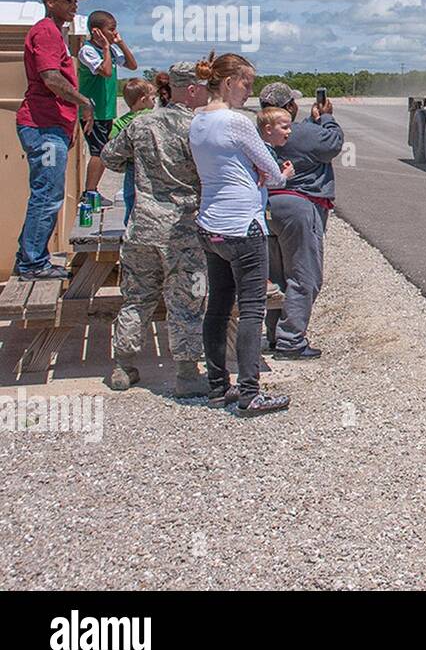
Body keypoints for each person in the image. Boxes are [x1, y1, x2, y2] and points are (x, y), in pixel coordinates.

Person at [190, 53, 292, 417]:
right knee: (251, 310)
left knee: (217, 307)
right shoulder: (237, 122)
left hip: (210, 224)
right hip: (243, 225)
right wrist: (278, 173)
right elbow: (274, 173)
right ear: (230, 81)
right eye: (247, 83)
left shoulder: (197, 121)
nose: (250, 91)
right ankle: (250, 392)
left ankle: (218, 386)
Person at [99, 63, 210, 396]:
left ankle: (123, 367)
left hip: (143, 226)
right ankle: (187, 373)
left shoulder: (140, 124)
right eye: (204, 87)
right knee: (187, 301)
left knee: (136, 299)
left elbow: (110, 158)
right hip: (183, 229)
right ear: (191, 89)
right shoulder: (198, 128)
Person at [13, 0, 95, 281]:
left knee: (47, 194)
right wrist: (84, 102)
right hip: (42, 124)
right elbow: (51, 78)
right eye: (69, 1)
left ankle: (30, 256)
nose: (75, 6)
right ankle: (33, 264)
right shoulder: (46, 32)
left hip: (52, 124)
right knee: (47, 196)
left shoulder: (55, 33)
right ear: (51, 2)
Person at [258, 81, 343, 360]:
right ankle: (291, 340)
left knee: (278, 276)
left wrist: (311, 122)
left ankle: (275, 335)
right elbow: (333, 143)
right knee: (305, 275)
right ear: (290, 107)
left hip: (268, 208)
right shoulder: (303, 133)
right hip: (300, 207)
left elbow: (302, 136)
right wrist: (328, 118)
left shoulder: (261, 132)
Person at [76, 10, 137, 209]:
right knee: (98, 150)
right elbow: (106, 71)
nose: (114, 32)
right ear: (96, 31)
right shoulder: (88, 51)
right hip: (93, 111)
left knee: (102, 148)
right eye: (111, 29)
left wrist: (119, 43)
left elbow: (132, 65)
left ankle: (92, 190)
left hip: (106, 109)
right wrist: (104, 48)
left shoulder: (110, 50)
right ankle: (90, 192)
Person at [109, 77, 157, 223]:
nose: (155, 102)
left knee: (130, 195)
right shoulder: (151, 117)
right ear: (143, 100)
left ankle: (129, 222)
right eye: (153, 99)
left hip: (131, 164)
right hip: (150, 165)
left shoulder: (122, 121)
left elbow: (111, 140)